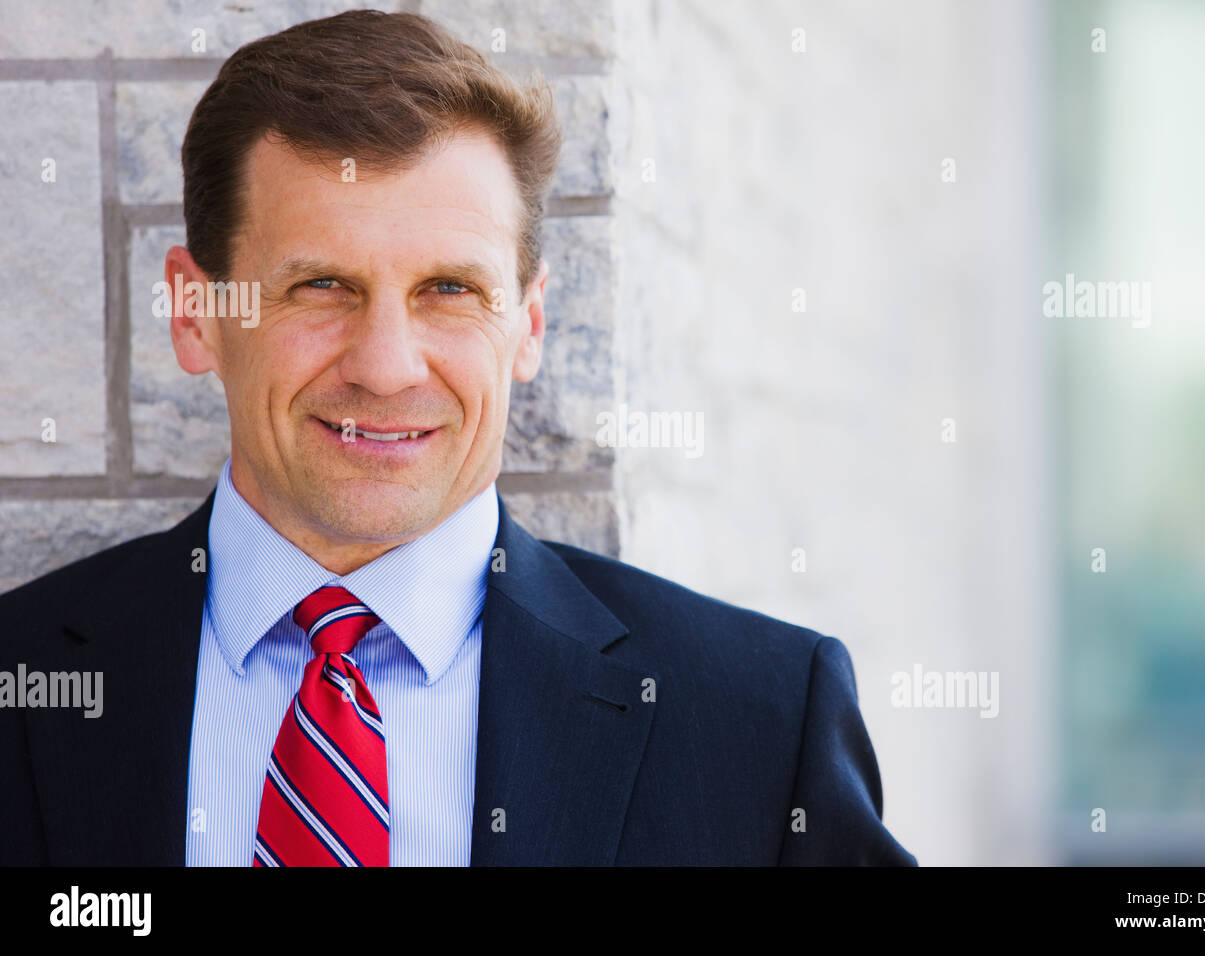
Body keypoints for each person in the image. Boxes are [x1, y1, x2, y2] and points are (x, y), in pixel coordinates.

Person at [0, 9, 915, 867]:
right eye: (321, 286)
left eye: (450, 290)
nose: (388, 367)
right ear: (196, 313)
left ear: (529, 324)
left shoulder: (758, 722)